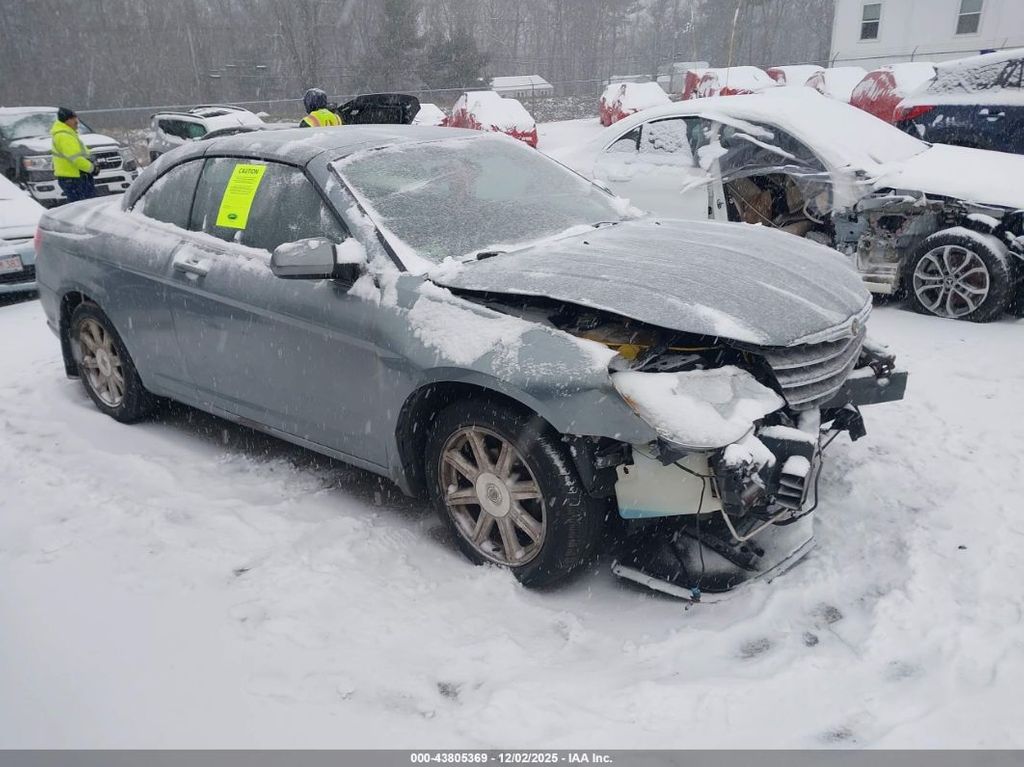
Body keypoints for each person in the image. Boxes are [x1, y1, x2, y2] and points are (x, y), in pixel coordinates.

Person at [50, 107, 98, 203]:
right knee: (85, 207)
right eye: (73, 118)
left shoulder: (66, 134)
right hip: (75, 178)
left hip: (73, 178)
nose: (77, 121)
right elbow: (76, 158)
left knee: (80, 206)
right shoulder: (64, 136)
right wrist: (92, 168)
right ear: (66, 121)